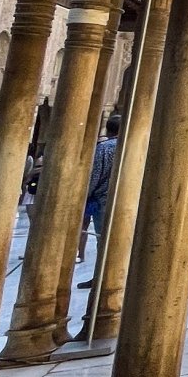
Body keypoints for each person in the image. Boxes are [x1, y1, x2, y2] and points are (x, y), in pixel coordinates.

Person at [77, 116, 120, 273]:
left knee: (104, 240)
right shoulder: (133, 146)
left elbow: (94, 175)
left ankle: (102, 277)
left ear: (108, 130)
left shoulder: (103, 148)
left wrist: (85, 195)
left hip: (104, 201)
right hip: (127, 200)